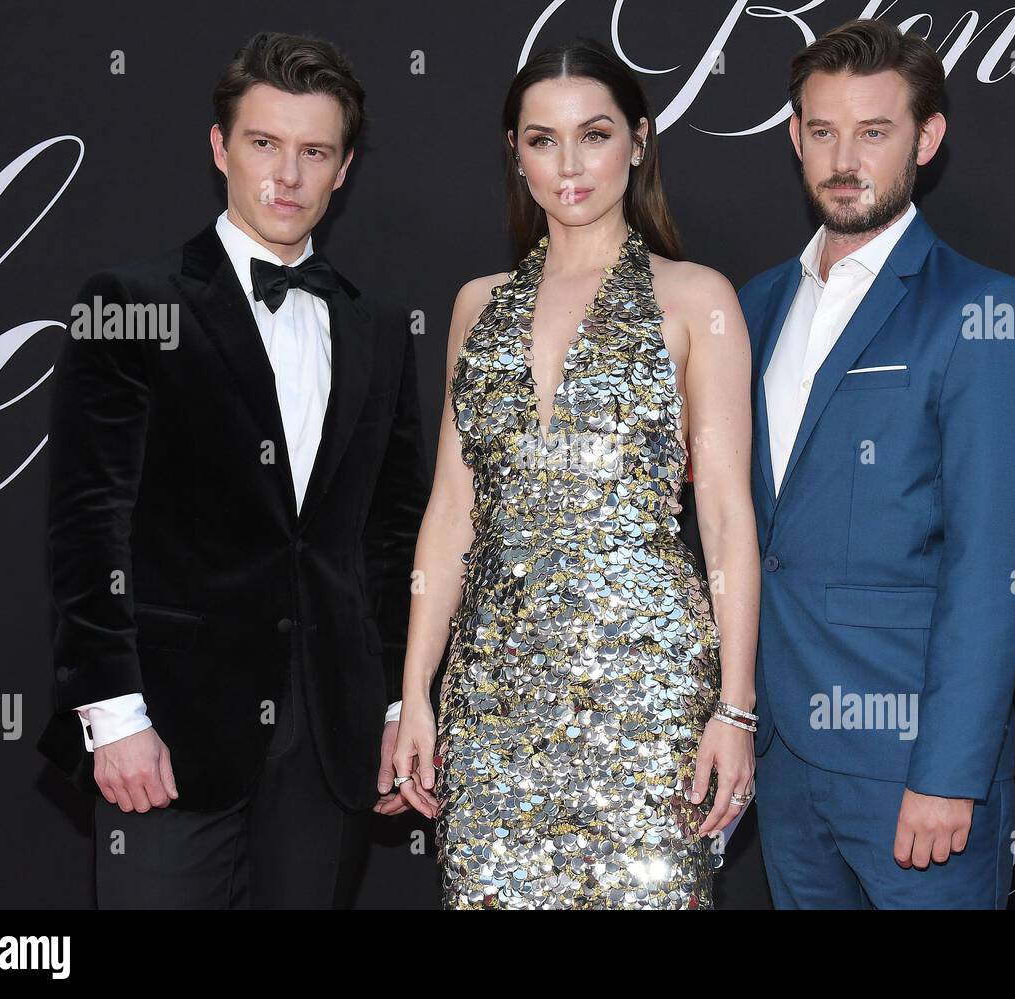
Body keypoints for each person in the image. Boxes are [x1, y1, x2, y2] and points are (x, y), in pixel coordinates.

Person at [35, 31, 428, 908]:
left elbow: (390, 536)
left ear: (343, 168)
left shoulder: (377, 329)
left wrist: (401, 709)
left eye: (313, 151)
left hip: (331, 741)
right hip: (171, 735)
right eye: (263, 144)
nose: (286, 175)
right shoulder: (130, 304)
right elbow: (87, 521)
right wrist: (114, 714)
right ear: (220, 149)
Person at [387, 37, 759, 909]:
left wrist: (734, 710)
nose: (569, 165)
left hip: (648, 694)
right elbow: (450, 512)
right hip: (491, 699)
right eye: (542, 139)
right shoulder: (476, 305)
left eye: (592, 135)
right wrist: (413, 691)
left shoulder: (697, 298)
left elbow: (729, 521)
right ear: (515, 156)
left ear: (638, 140)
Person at [739, 18, 1015, 908]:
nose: (845, 157)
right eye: (823, 130)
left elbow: (997, 559)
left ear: (927, 138)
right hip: (780, 760)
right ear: (795, 136)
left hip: (911, 764)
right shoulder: (753, 304)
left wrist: (951, 771)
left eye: (874, 131)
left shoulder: (988, 309)